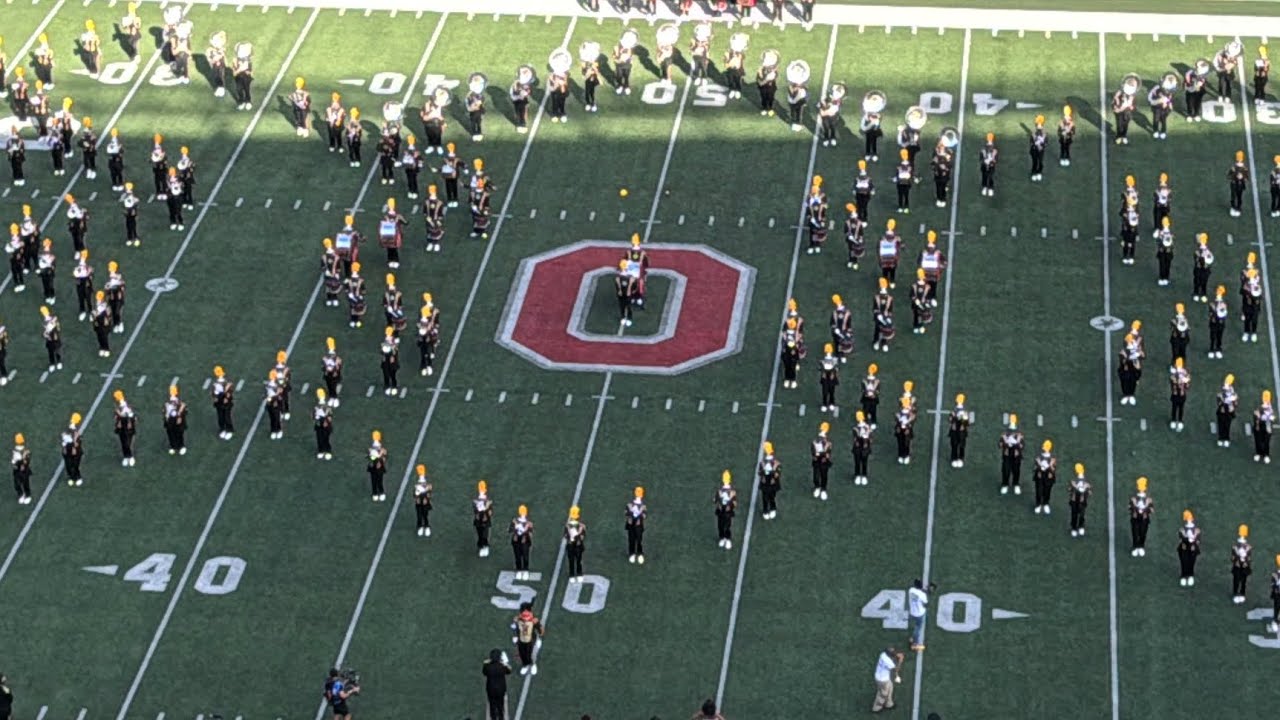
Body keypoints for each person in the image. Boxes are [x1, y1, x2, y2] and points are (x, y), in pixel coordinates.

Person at [511, 601, 544, 676]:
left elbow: (541, 631)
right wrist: (516, 636)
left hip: (531, 639)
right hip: (521, 639)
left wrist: (539, 629)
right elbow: (515, 628)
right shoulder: (518, 619)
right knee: (522, 654)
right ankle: (525, 665)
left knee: (530, 653)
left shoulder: (533, 620)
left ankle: (533, 665)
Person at [872, 646, 904, 712]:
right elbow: (896, 670)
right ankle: (876, 708)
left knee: (890, 688)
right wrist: (900, 661)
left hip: (881, 677)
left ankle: (889, 704)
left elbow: (891, 655)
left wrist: (896, 655)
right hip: (882, 680)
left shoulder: (883, 654)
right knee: (883, 694)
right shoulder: (889, 662)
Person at [483, 649, 512, 720]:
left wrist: (486, 663)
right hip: (500, 689)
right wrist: (505, 663)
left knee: (492, 704)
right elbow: (509, 671)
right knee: (500, 704)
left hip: (491, 689)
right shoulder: (502, 666)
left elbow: (484, 672)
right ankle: (501, 717)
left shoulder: (487, 666)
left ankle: (493, 717)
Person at [1178, 509, 1202, 587]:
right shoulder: (1182, 529)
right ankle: (1184, 575)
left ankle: (1190, 575)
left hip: (1193, 548)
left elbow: (1198, 540)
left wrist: (1194, 541)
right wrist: (1188, 539)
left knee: (1191, 562)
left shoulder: (1196, 530)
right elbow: (1181, 539)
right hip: (1184, 548)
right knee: (1184, 561)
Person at [908, 579, 933, 651]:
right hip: (919, 614)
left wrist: (925, 591)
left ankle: (912, 639)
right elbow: (926, 604)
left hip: (912, 612)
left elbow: (918, 593)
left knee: (915, 626)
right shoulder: (923, 595)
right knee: (918, 628)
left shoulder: (911, 590)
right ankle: (915, 644)